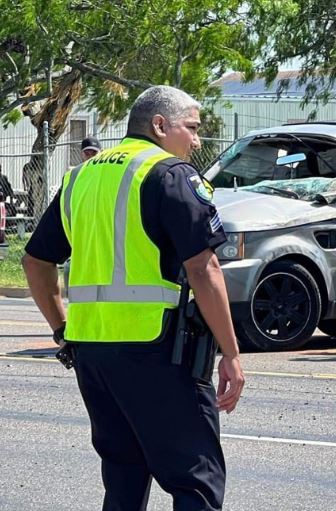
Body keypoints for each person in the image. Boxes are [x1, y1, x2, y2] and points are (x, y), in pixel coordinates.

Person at [22, 85, 245, 511]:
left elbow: (35, 262)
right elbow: (203, 268)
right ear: (160, 126)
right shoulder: (169, 174)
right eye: (192, 128)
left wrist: (61, 329)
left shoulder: (79, 177)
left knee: (123, 478)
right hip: (157, 349)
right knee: (195, 481)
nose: (196, 141)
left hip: (92, 352)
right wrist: (231, 353)